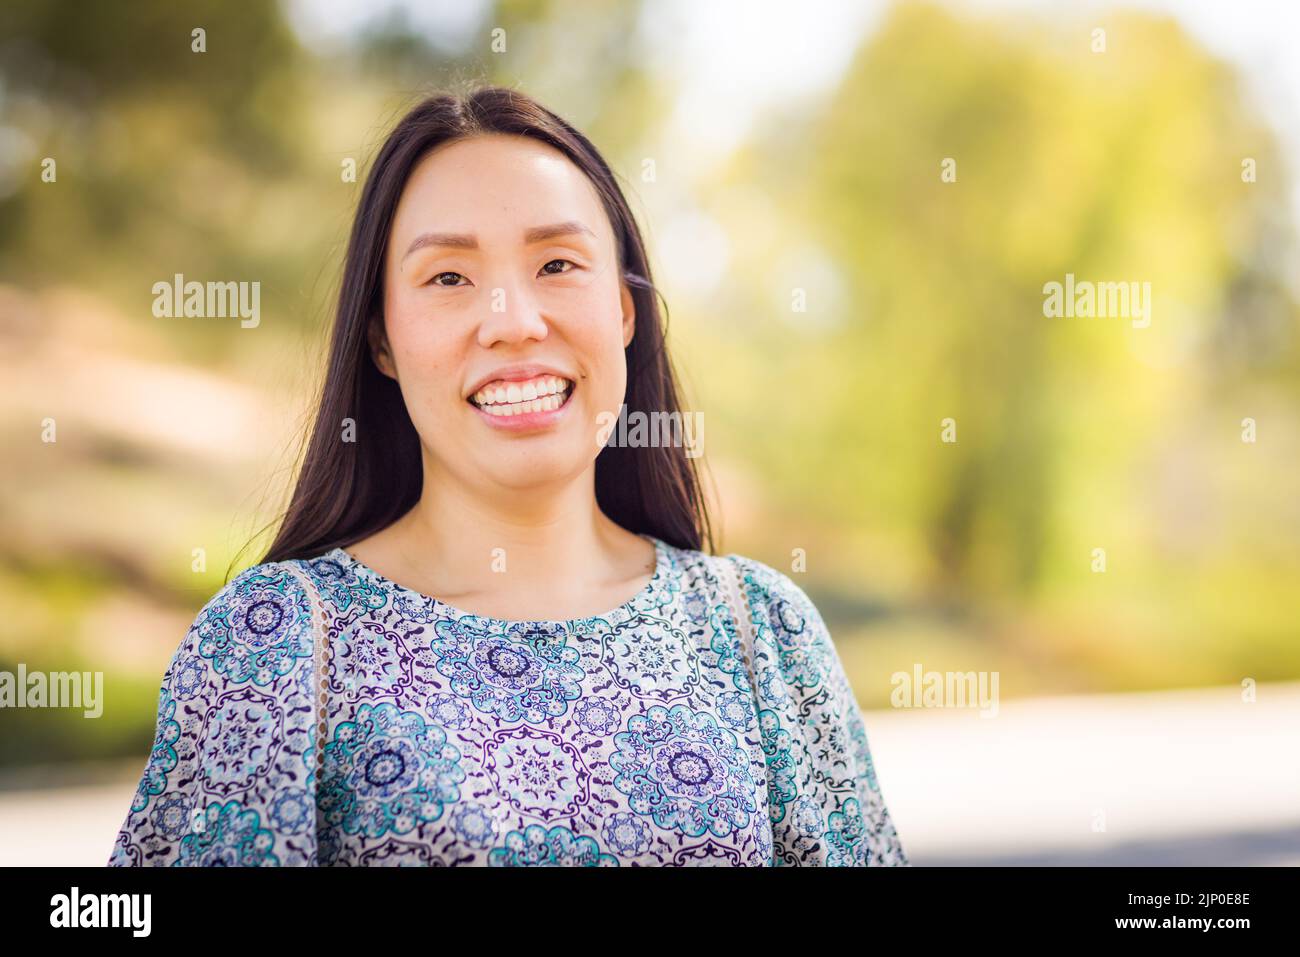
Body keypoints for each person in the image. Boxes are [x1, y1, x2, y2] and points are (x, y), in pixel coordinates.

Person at [106, 86, 908, 867]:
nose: (515, 322)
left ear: (624, 312)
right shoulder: (272, 644)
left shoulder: (763, 633)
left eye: (557, 263)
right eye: (448, 277)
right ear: (381, 340)